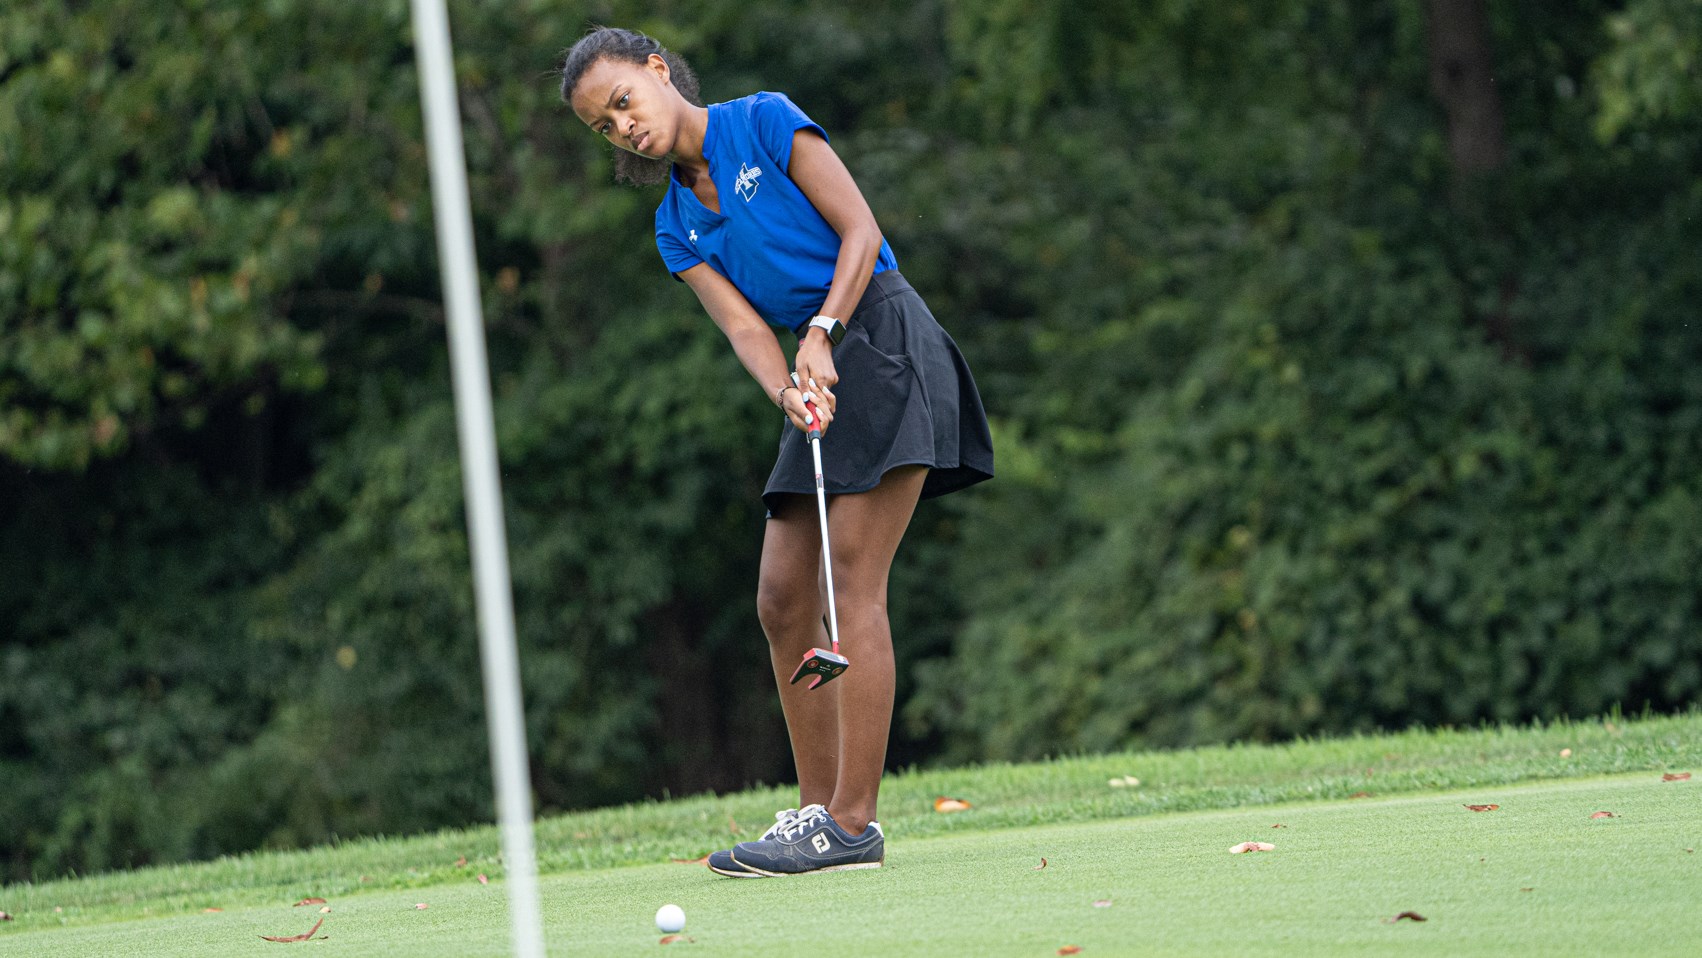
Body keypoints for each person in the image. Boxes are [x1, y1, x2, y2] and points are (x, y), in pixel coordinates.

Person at [560, 26, 993, 877]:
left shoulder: (762, 120)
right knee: (782, 597)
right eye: (604, 129)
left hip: (883, 335)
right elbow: (745, 327)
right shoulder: (676, 224)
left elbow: (861, 232)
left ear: (657, 70)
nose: (624, 128)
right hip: (815, 365)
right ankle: (815, 813)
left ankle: (854, 823)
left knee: (851, 577)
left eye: (623, 103)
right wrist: (786, 389)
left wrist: (825, 331)